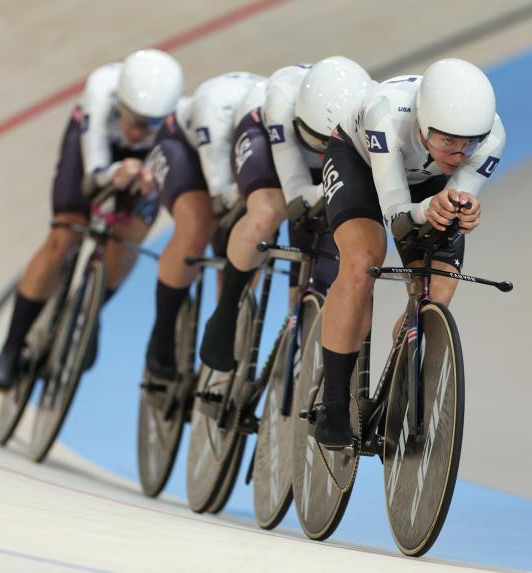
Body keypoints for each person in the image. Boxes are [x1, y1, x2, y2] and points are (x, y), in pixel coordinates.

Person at [314, 58, 506, 447]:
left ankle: (399, 384)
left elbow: (459, 194)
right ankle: (333, 402)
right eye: (448, 140)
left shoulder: (493, 137)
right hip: (362, 165)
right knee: (361, 262)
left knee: (437, 292)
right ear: (421, 123)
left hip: (425, 184)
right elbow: (397, 214)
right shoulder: (387, 113)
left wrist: (463, 209)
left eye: (470, 142)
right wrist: (429, 208)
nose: (460, 152)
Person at [0, 49, 183, 391]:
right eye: (132, 120)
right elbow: (93, 178)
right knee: (66, 233)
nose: (137, 133)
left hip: (141, 163)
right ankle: (11, 348)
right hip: (93, 149)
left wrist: (149, 179)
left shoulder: (175, 120)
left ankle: (87, 311)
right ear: (119, 102)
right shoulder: (101, 91)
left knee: (129, 236)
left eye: (149, 125)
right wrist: (118, 171)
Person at [198, 57, 374, 372]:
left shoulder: (372, 107)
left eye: (329, 145)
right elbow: (295, 194)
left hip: (343, 150)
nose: (323, 154)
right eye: (317, 143)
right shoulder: (280, 97)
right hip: (264, 138)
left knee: (331, 263)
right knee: (270, 209)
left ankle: (300, 354)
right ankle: (223, 317)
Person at [143, 71, 266, 380]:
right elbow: (221, 194)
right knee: (199, 223)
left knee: (258, 236)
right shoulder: (216, 111)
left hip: (234, 152)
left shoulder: (274, 116)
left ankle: (226, 334)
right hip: (182, 147)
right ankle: (163, 333)